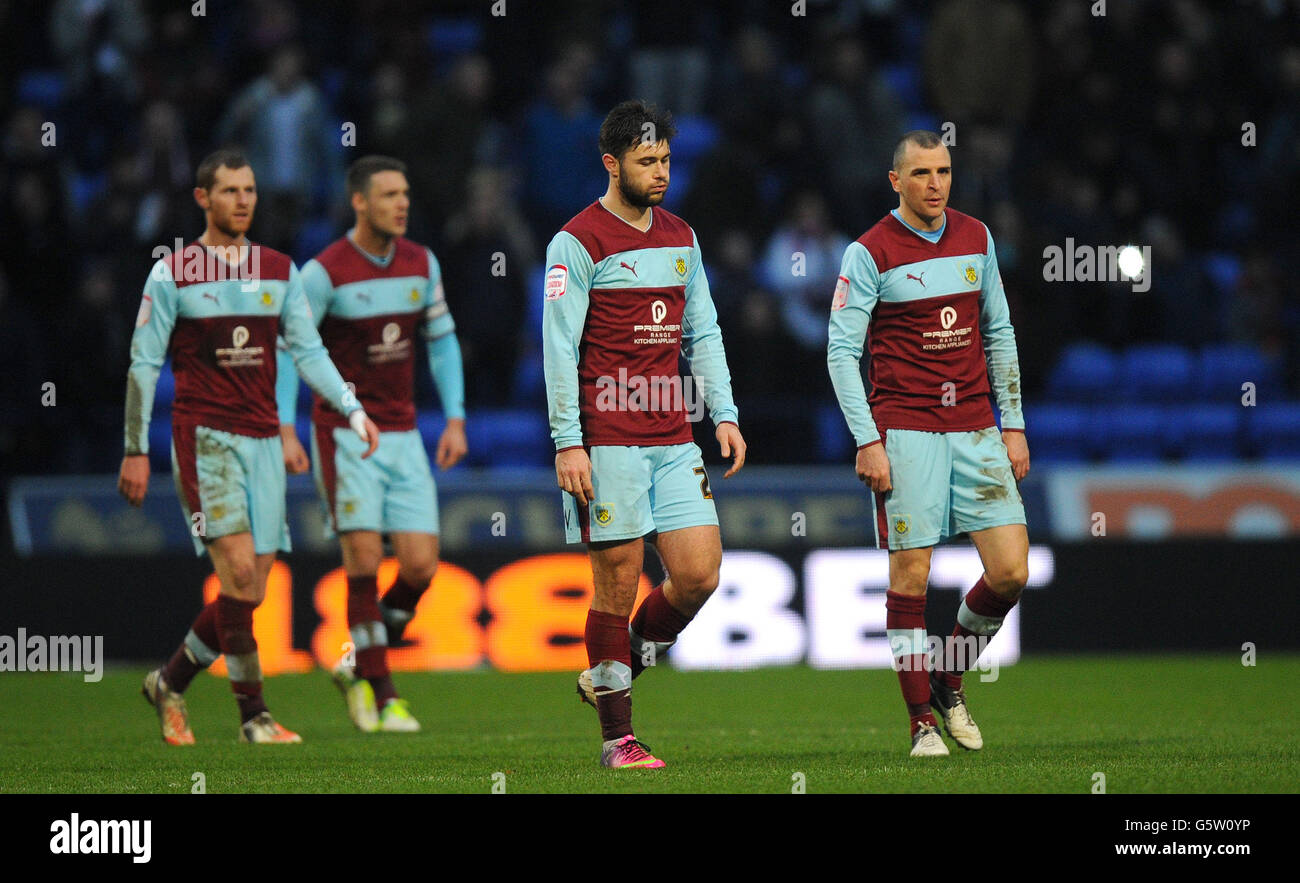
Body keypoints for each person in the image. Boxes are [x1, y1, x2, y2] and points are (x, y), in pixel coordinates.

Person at [120, 148, 379, 745]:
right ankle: (254, 717)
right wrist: (135, 448)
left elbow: (307, 350)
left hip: (264, 440)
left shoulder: (278, 269)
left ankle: (169, 681)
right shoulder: (172, 272)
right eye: (230, 190)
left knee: (252, 588)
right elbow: (142, 365)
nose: (243, 200)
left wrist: (351, 407)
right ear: (203, 199)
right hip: (205, 439)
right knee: (237, 571)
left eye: (250, 190)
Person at [543, 100, 747, 769]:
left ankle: (616, 665)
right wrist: (567, 441)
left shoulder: (681, 236)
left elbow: (704, 331)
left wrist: (724, 412)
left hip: (672, 435)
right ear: (612, 163)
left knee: (698, 574)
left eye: (665, 160)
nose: (661, 172)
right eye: (646, 161)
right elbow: (558, 348)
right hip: (606, 440)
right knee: (616, 584)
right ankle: (617, 739)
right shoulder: (577, 242)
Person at [826, 130, 1030, 758]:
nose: (935, 184)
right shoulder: (869, 254)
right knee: (911, 578)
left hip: (975, 428)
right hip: (906, 432)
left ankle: (947, 675)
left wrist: (1013, 421)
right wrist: (867, 440)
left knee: (1012, 571)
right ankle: (921, 723)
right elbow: (841, 352)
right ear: (896, 181)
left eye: (942, 171)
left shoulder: (976, 237)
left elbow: (997, 329)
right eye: (920, 174)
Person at [276, 155, 468, 733]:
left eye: (405, 193)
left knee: (420, 565)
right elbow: (291, 348)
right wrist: (287, 426)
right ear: (359, 202)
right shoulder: (324, 272)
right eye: (388, 195)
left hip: (405, 432)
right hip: (344, 433)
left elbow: (441, 341)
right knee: (361, 559)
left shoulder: (421, 263)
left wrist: (455, 417)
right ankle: (384, 695)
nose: (402, 203)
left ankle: (356, 664)